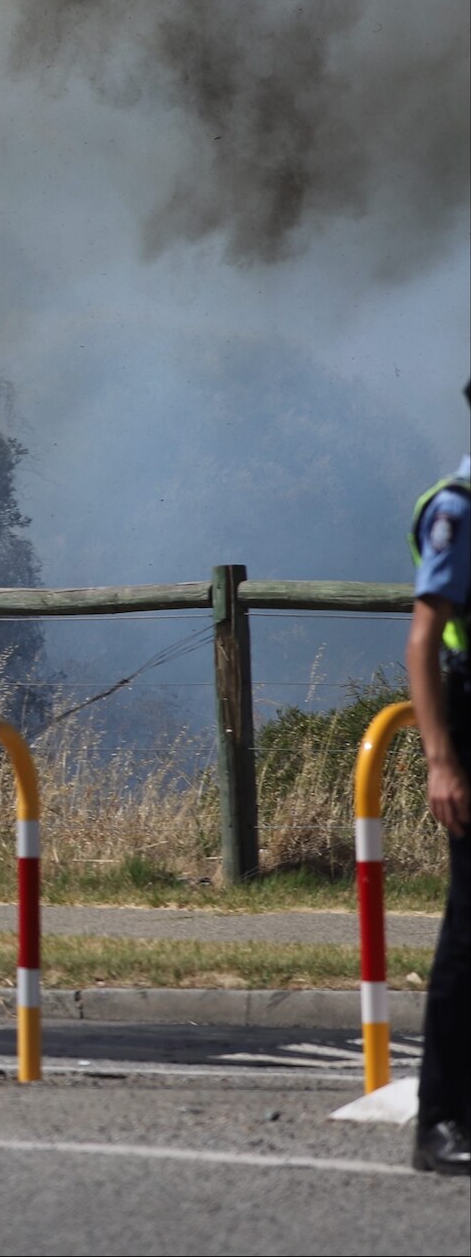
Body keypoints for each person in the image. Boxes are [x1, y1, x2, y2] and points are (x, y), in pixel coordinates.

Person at [406, 388, 471, 1176]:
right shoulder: (456, 507)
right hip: (468, 714)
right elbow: (423, 637)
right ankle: (441, 1121)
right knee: (467, 934)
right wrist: (440, 760)